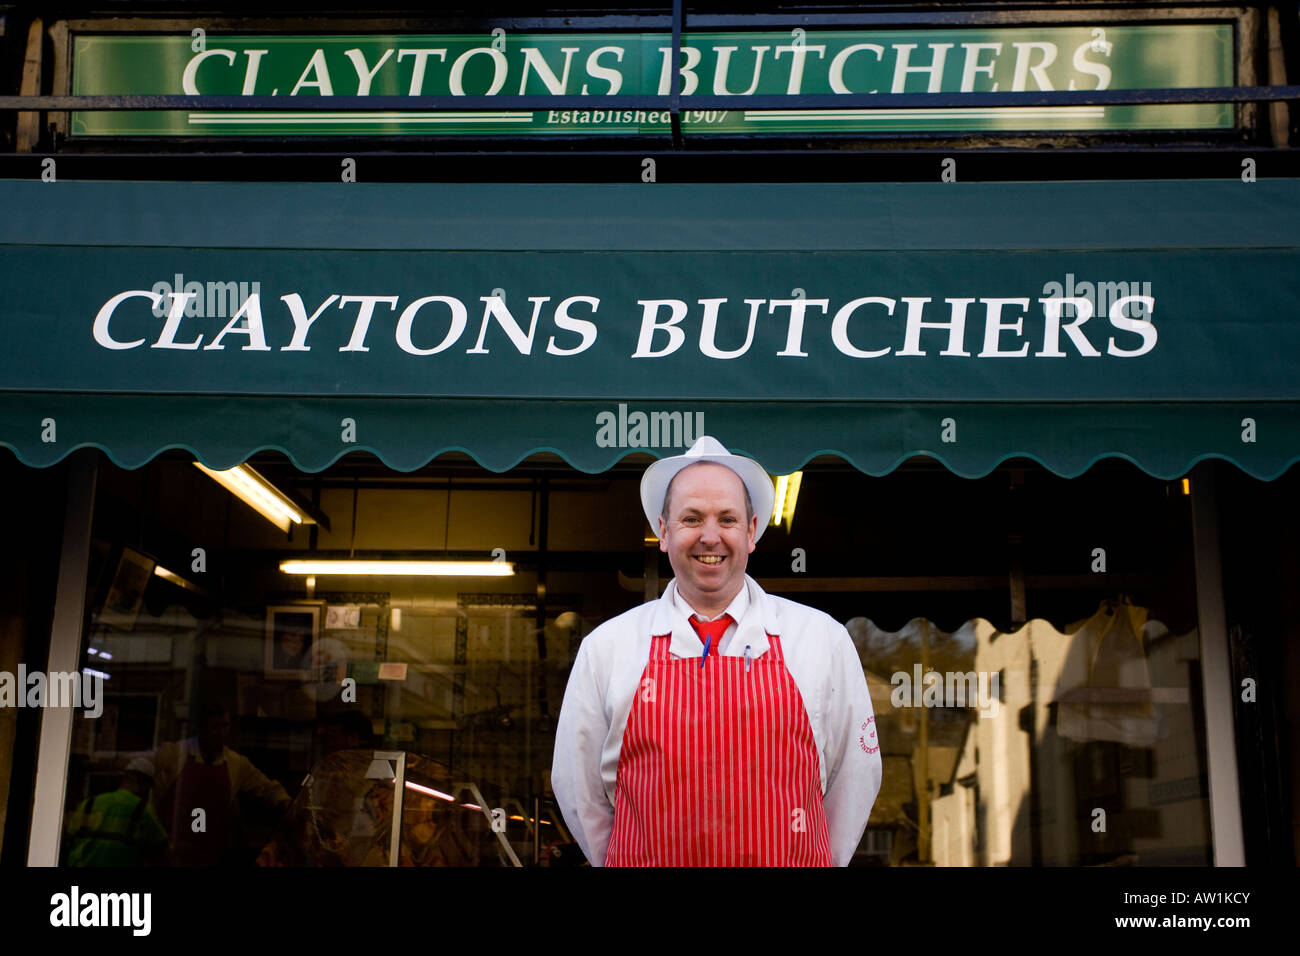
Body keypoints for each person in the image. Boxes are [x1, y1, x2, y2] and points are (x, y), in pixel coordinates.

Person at [552, 435, 882, 866]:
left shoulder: (821, 640)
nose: (711, 537)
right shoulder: (607, 649)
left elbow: (854, 779)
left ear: (750, 533)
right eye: (692, 519)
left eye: (727, 519)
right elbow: (580, 794)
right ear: (664, 532)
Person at [153, 702, 291, 865]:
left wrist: (286, 803)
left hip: (211, 854)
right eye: (214, 727)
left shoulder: (236, 763)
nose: (221, 733)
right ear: (200, 728)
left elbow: (267, 788)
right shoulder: (173, 754)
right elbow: (138, 766)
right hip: (169, 854)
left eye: (225, 726)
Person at [64, 756, 169, 867]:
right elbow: (161, 850)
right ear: (143, 783)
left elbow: (70, 838)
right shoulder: (143, 809)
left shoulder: (89, 803)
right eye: (147, 786)